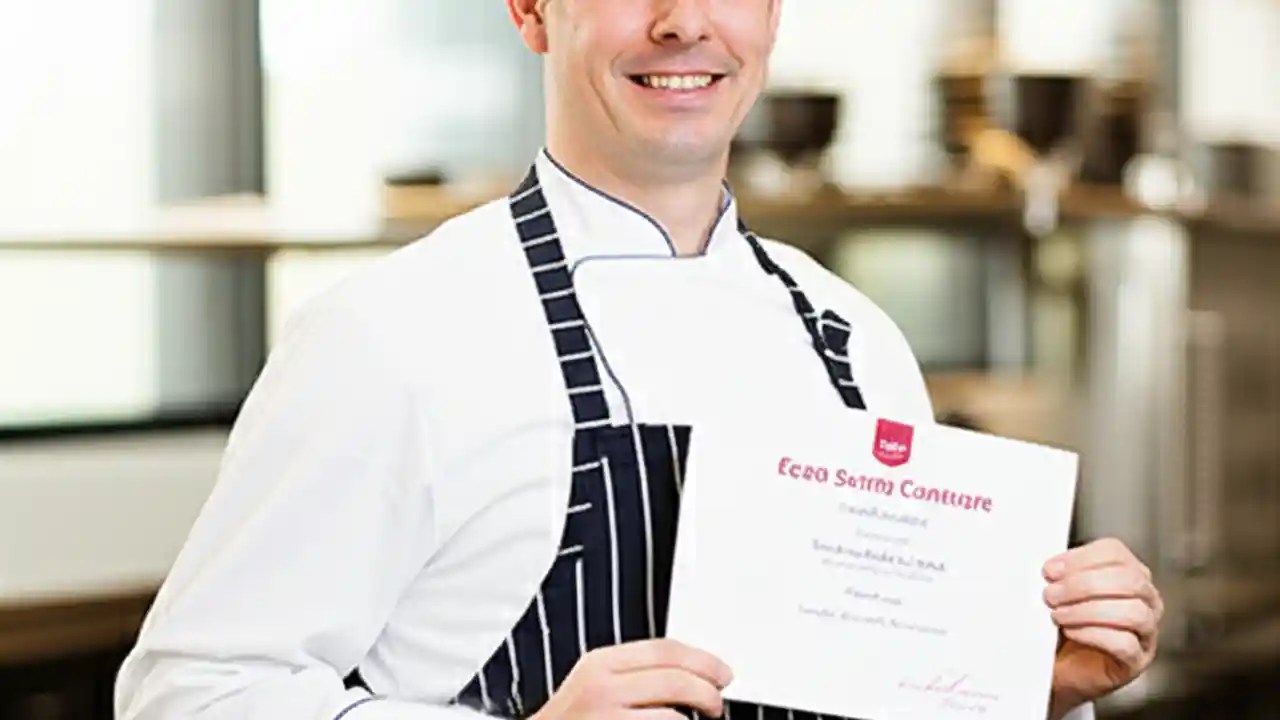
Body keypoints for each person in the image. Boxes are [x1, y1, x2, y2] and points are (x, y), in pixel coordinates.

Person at [115, 2, 1163, 719]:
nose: (682, 20)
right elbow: (189, 693)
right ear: (528, 8)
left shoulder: (851, 341)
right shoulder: (393, 333)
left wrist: (1031, 688)